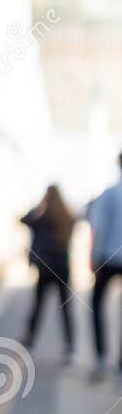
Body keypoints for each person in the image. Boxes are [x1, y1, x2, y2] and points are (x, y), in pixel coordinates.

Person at [19, 185, 76, 361]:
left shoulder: (42, 218)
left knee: (38, 305)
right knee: (65, 308)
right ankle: (69, 345)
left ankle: (30, 340)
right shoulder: (68, 218)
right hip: (62, 268)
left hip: (45, 269)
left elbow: (24, 220)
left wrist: (39, 205)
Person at [85, 152, 122, 382]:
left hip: (108, 259)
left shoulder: (109, 194)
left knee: (96, 305)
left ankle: (101, 357)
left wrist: (93, 258)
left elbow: (97, 228)